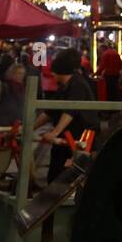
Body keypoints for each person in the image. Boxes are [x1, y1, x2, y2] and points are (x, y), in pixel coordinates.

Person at [35, 48, 96, 183]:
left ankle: (62, 201)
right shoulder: (65, 85)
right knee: (55, 173)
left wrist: (55, 132)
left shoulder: (77, 84)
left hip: (80, 136)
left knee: (66, 177)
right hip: (67, 136)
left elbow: (70, 110)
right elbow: (50, 111)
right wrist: (28, 127)